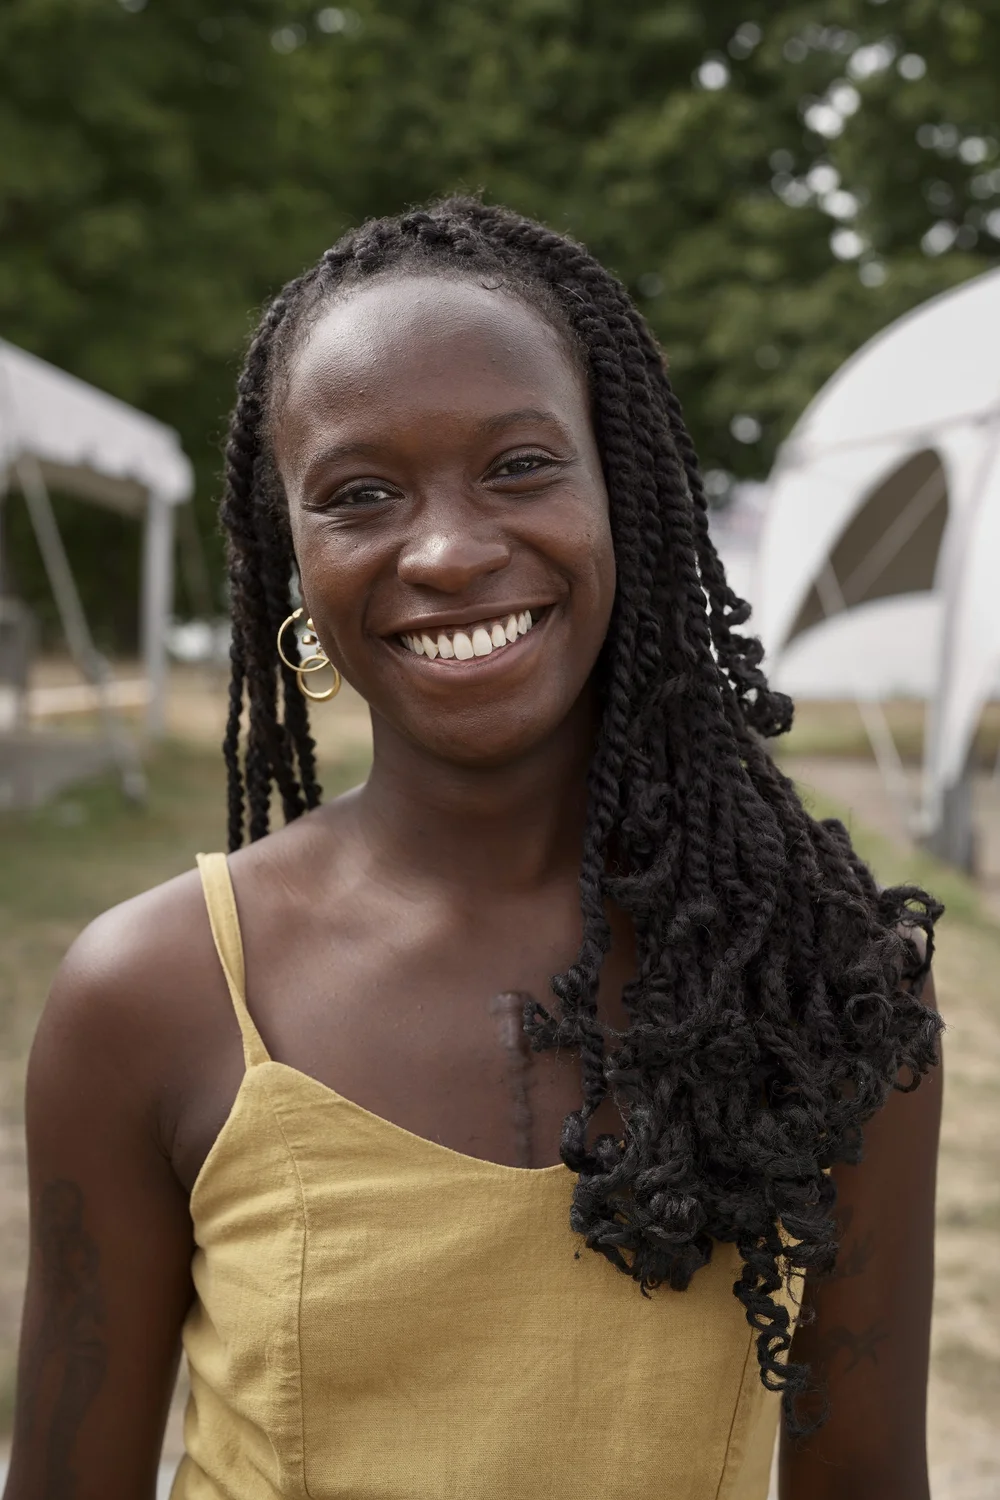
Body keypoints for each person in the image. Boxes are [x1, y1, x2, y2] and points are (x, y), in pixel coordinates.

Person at [5, 199, 943, 1500]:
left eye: (519, 466)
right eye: (361, 494)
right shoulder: (151, 995)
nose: (446, 549)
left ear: (631, 498)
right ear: (290, 562)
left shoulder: (823, 981)